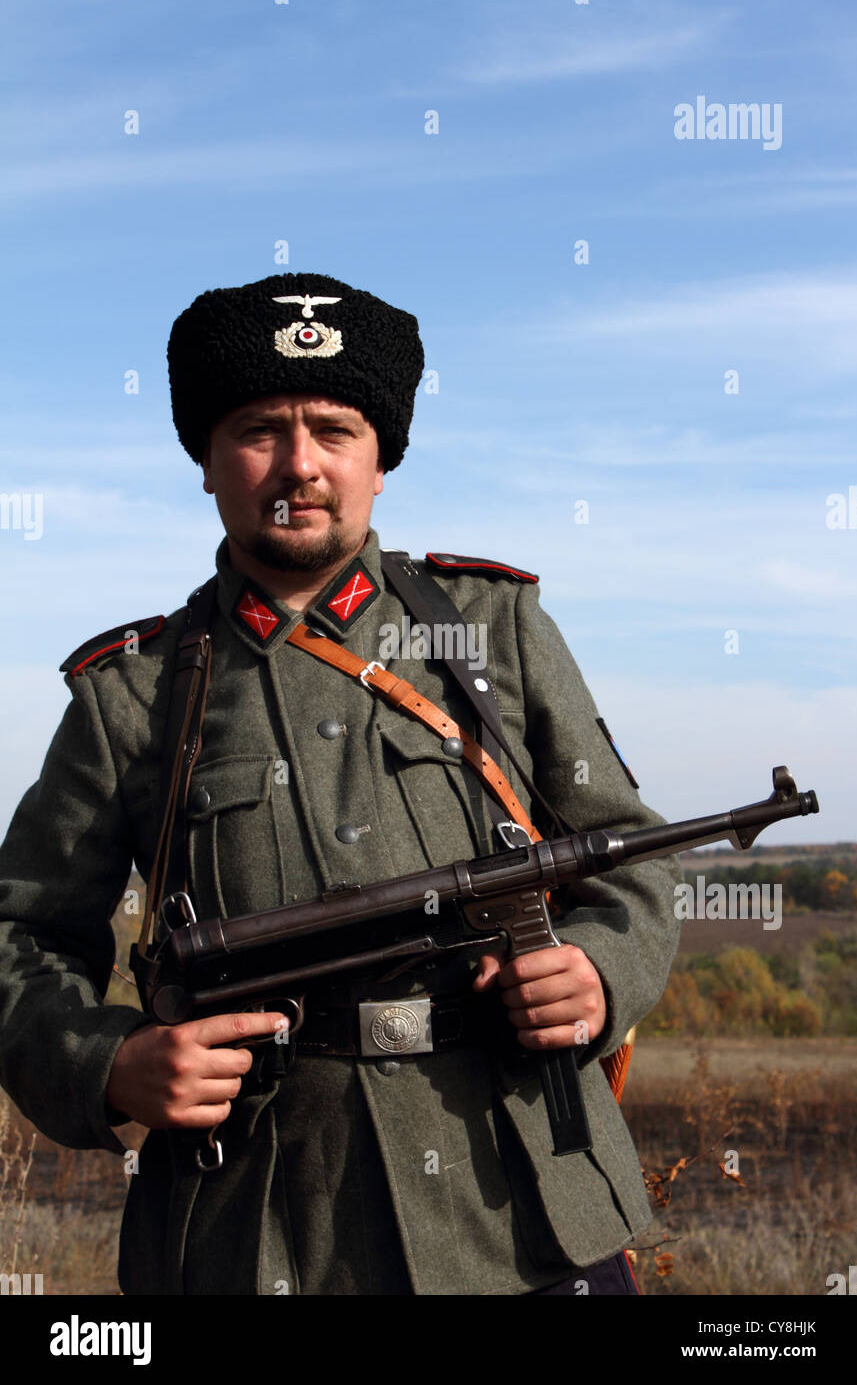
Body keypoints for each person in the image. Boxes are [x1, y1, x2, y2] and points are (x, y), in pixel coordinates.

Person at [0, 271, 681, 1295]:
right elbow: (22, 936)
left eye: (333, 427)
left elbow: (627, 865)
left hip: (528, 1215)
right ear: (207, 460)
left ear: (380, 457)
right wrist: (111, 1061)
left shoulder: (489, 633)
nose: (299, 463)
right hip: (258, 1232)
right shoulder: (134, 695)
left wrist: (593, 972)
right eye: (258, 428)